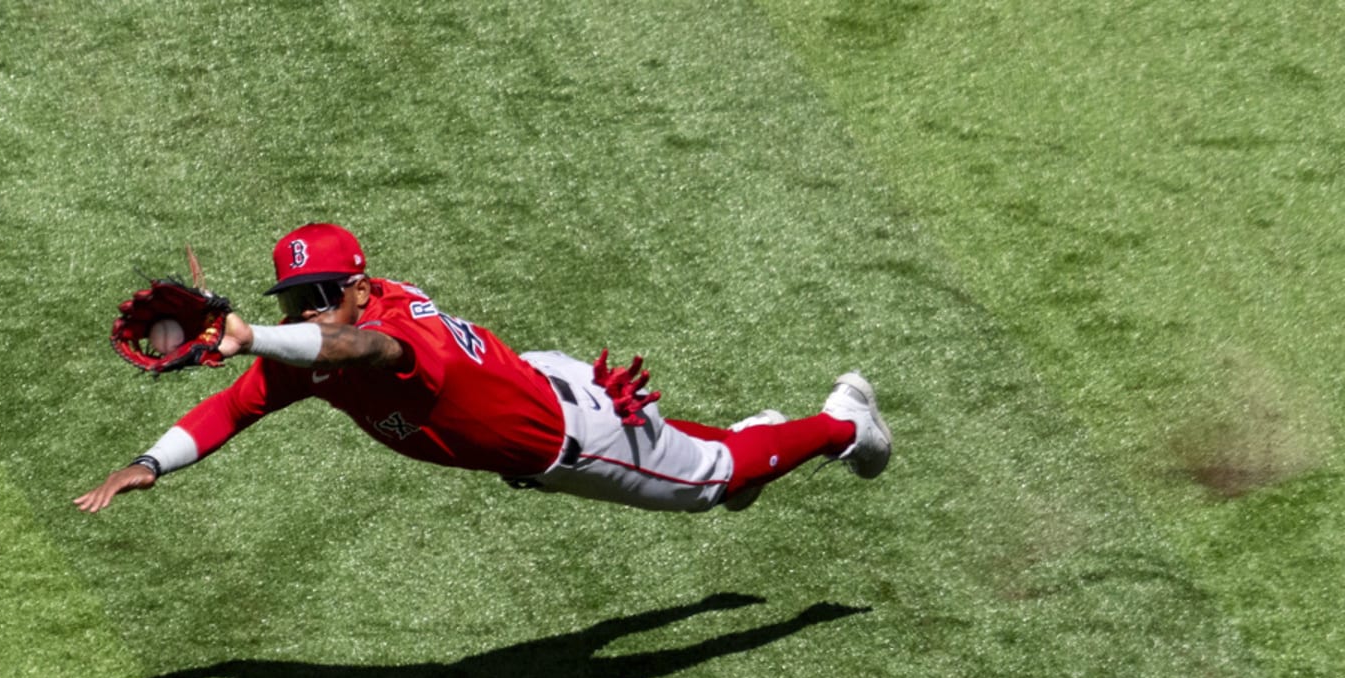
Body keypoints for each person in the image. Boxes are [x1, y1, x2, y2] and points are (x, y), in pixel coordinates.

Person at [74, 223, 891, 515]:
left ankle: (845, 419)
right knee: (703, 464)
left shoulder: (386, 329)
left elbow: (363, 351)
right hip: (533, 387)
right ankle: (760, 438)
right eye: (293, 298)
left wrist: (251, 336)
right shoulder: (307, 347)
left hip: (564, 432)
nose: (307, 309)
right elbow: (231, 410)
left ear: (359, 287)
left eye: (321, 293)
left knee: (715, 483)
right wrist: (150, 463)